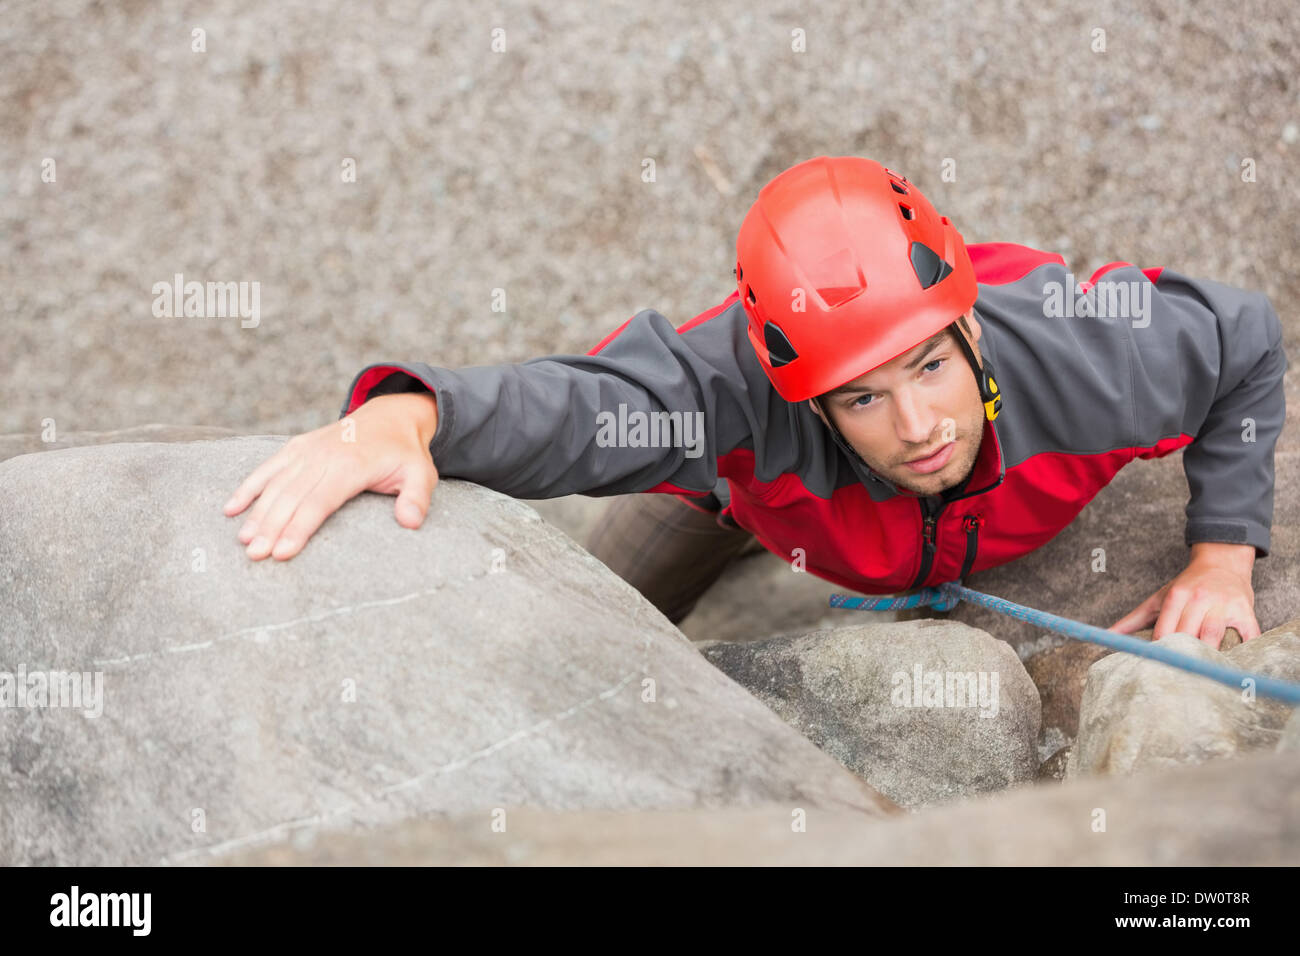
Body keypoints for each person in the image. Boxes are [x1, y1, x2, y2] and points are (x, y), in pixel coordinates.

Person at [223, 156, 1287, 648]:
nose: (916, 428)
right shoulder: (726, 389)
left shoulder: (1088, 354)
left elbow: (1247, 339)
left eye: (929, 366)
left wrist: (1220, 552)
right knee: (585, 642)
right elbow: (577, 408)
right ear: (795, 391)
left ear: (969, 324)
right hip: (751, 500)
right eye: (859, 397)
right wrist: (409, 415)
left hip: (866, 513)